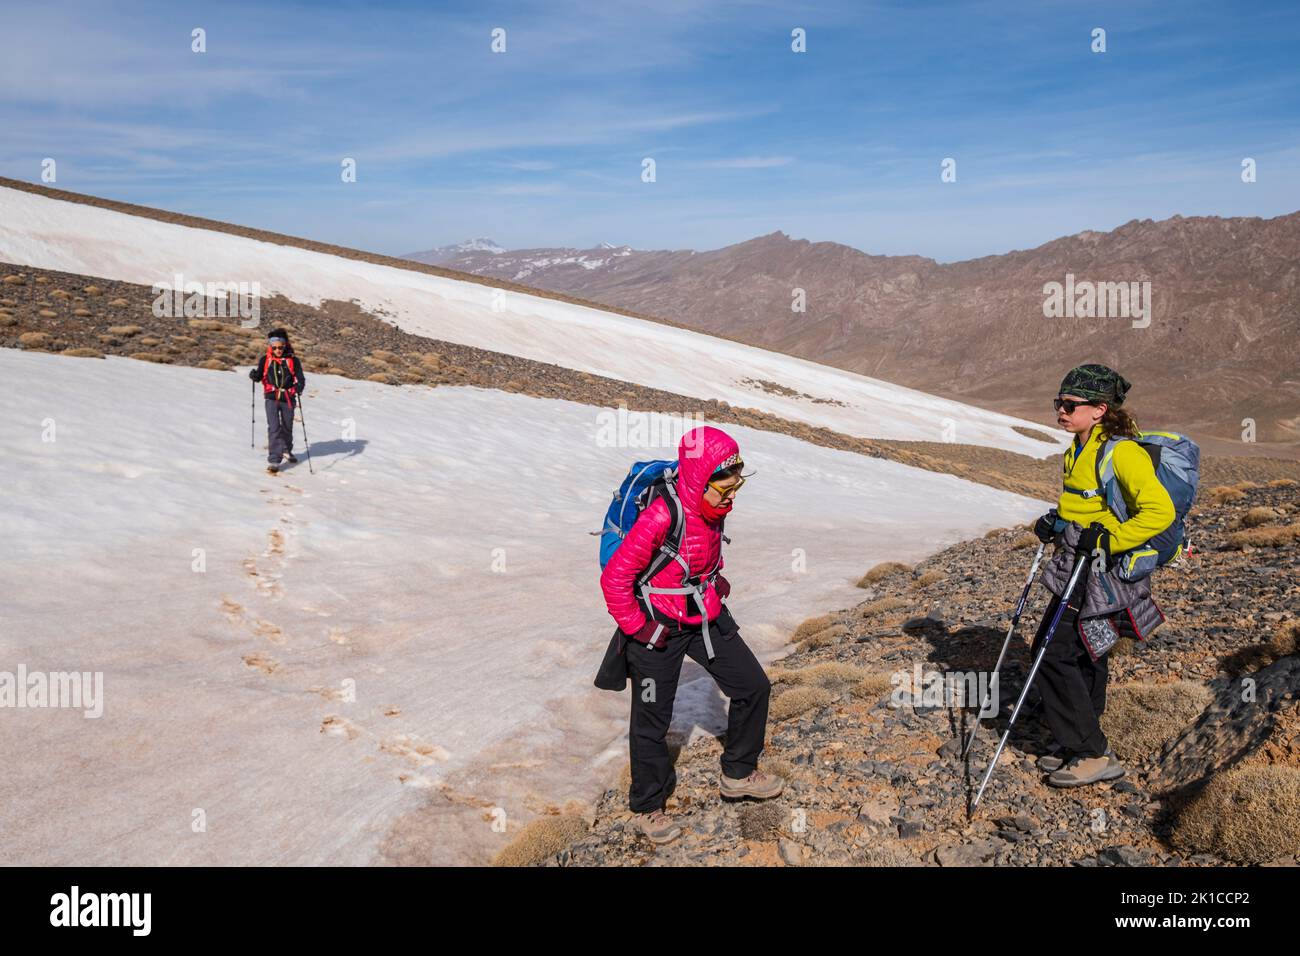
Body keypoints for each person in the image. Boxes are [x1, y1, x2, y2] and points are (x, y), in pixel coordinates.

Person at [599, 426, 783, 844]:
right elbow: (615, 579)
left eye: (737, 485)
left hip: (703, 618)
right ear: (701, 479)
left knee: (753, 686)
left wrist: (714, 582)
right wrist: (638, 628)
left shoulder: (712, 509)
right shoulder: (663, 514)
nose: (732, 495)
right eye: (725, 487)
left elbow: (697, 557)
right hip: (656, 628)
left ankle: (738, 773)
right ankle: (648, 807)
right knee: (651, 720)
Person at [1029, 364, 1174, 787]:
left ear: (1099, 409)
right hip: (1074, 561)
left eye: (1071, 404)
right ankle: (1083, 744)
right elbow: (1084, 506)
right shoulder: (1078, 448)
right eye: (1059, 402)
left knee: (1052, 652)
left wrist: (1111, 540)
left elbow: (1159, 512)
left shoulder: (1121, 451)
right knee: (1087, 649)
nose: (1061, 409)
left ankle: (1092, 752)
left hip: (1098, 568)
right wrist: (1055, 523)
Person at [248, 329, 306, 473]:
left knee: (287, 427)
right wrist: (254, 376)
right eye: (275, 347)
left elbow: (301, 378)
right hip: (271, 398)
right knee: (274, 427)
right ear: (270, 347)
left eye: (280, 347)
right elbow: (260, 376)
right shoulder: (265, 360)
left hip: (288, 398)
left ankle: (286, 449)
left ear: (285, 345)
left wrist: (299, 387)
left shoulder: (293, 360)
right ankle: (274, 459)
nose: (278, 350)